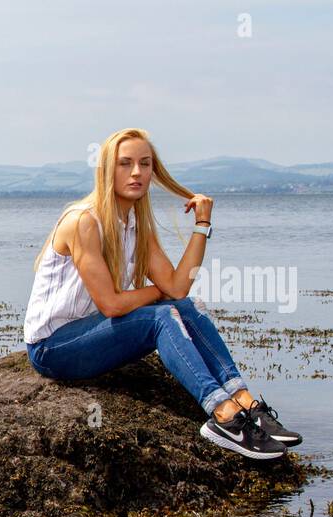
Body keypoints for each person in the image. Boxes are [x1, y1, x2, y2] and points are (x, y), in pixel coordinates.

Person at [23, 127, 302, 460]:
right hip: (52, 347)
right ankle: (222, 415)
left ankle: (244, 402)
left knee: (187, 306)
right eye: (125, 164)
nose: (137, 172)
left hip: (91, 332)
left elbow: (178, 286)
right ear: (107, 170)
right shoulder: (83, 222)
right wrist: (158, 295)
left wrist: (201, 225)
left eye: (145, 163)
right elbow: (111, 304)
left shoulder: (135, 224)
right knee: (161, 316)